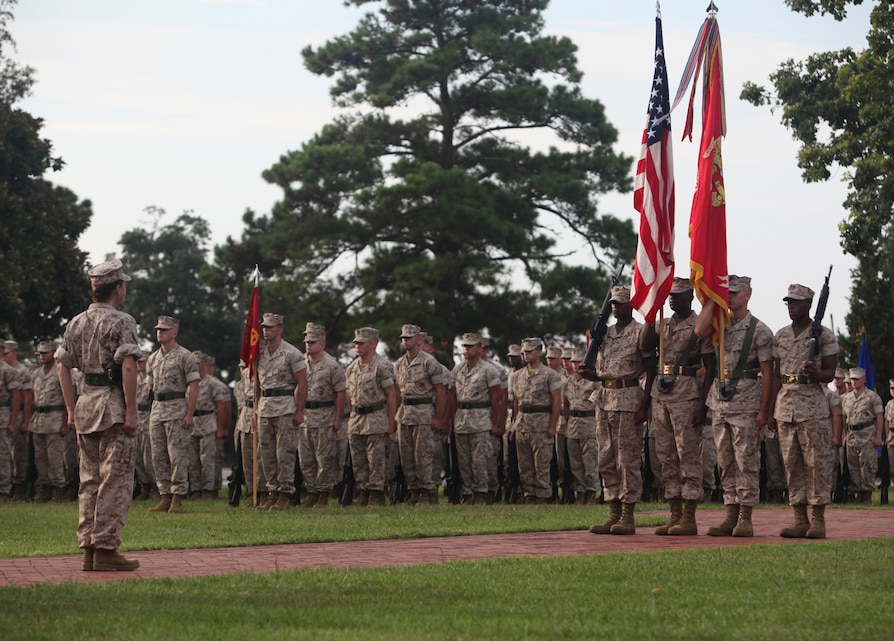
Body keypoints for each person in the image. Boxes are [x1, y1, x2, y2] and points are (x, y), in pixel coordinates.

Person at [56, 258, 143, 571]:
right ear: (117, 289)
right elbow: (130, 366)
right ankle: (105, 548)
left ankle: (89, 549)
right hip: (113, 406)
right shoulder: (122, 322)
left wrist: (70, 409)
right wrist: (131, 411)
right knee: (115, 479)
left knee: (89, 479)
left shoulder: (75, 322)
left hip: (86, 404)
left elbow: (62, 366)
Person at [696, 275, 774, 538]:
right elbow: (699, 331)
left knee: (746, 461)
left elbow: (768, 373)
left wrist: (765, 410)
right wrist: (711, 300)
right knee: (725, 461)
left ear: (748, 294)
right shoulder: (719, 325)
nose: (730, 296)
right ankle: (730, 513)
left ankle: (745, 516)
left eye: (735, 292)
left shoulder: (760, 330)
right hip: (719, 401)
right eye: (726, 292)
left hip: (746, 402)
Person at [646, 277, 715, 535]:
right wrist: (652, 313)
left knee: (687, 455)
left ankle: (689, 516)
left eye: (678, 294)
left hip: (687, 394)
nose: (673, 299)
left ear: (690, 296)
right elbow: (645, 347)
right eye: (670, 295)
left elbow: (710, 368)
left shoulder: (700, 325)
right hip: (661, 395)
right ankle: (674, 514)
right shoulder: (662, 323)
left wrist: (703, 405)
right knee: (666, 456)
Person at [770, 283, 838, 538]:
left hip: (812, 405)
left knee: (816, 463)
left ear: (810, 304)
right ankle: (799, 518)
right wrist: (770, 410)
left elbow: (830, 372)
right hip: (786, 406)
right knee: (791, 463)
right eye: (788, 302)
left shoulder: (824, 335)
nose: (791, 306)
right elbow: (777, 374)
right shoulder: (781, 336)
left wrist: (817, 373)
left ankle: (818, 519)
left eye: (796, 302)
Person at [588, 286, 655, 534]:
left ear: (631, 305)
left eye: (620, 303)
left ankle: (628, 515)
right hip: (604, 398)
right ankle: (613, 512)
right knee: (605, 458)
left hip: (628, 400)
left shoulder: (639, 332)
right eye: (613, 303)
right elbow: (602, 370)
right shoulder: (604, 334)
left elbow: (650, 369)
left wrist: (644, 406)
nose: (615, 307)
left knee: (627, 459)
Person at [146, 316, 200, 514]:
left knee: (177, 455)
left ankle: (177, 497)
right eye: (158, 329)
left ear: (174, 333)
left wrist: (190, 413)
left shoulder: (185, 356)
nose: (160, 332)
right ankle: (165, 495)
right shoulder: (152, 358)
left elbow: (194, 386)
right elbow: (150, 387)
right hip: (158, 410)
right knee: (158, 456)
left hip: (177, 409)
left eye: (165, 329)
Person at [254, 313, 308, 510]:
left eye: (270, 327)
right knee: (266, 453)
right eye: (264, 327)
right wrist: (255, 411)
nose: (265, 330)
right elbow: (257, 385)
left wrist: (300, 411)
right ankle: (272, 491)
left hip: (285, 407)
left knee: (284, 452)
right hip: (265, 407)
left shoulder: (291, 353)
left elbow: (303, 383)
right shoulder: (259, 353)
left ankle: (284, 494)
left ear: (280, 329)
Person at [393, 324, 445, 505]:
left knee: (423, 456)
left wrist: (438, 417)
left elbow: (440, 391)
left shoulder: (429, 362)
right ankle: (414, 491)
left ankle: (428, 492)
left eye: (409, 337)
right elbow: (397, 393)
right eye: (403, 338)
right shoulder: (399, 364)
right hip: (405, 415)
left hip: (424, 414)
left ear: (418, 340)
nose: (405, 341)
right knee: (406, 457)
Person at [345, 327, 397, 506]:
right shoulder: (351, 368)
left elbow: (392, 395)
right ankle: (363, 491)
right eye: (356, 343)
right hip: (356, 419)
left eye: (362, 343)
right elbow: (350, 396)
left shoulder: (381, 367)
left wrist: (391, 422)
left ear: (373, 344)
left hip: (376, 418)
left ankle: (377, 493)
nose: (357, 346)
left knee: (376, 459)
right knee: (358, 459)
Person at [298, 323, 346, 508]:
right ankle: (311, 492)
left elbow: (340, 393)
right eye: (306, 342)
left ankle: (323, 494)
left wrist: (338, 418)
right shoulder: (300, 363)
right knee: (306, 458)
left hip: (324, 415)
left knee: (324, 458)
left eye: (312, 342)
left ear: (322, 344)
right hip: (306, 415)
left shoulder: (332, 366)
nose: (308, 345)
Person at [452, 332, 501, 504]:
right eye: (465, 346)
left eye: (471, 346)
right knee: (464, 461)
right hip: (461, 420)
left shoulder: (489, 370)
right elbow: (452, 395)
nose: (467, 349)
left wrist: (495, 423)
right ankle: (467, 493)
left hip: (480, 420)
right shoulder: (457, 369)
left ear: (480, 348)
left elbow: (496, 398)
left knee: (479, 459)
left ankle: (481, 492)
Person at [511, 337, 562, 504]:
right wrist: (514, 425)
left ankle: (543, 496)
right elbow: (517, 401)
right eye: (524, 352)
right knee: (524, 464)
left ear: (539, 352)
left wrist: (553, 426)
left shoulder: (550, 375)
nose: (525, 355)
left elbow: (556, 401)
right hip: (523, 423)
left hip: (541, 424)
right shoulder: (518, 375)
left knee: (541, 464)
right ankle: (528, 494)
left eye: (529, 351)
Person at [29, 341, 68, 502]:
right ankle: (44, 489)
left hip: (55, 418)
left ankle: (59, 489)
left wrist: (66, 422)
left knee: (56, 458)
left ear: (54, 353)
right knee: (40, 458)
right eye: (39, 354)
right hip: (39, 420)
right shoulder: (36, 374)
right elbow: (32, 399)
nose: (41, 357)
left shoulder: (60, 371)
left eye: (44, 353)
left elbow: (67, 398)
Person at [188, 351, 230, 500]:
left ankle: (208, 490)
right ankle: (196, 489)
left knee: (207, 460)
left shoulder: (213, 384)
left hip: (208, 422)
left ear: (204, 365)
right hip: (192, 424)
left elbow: (221, 407)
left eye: (197, 363)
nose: (194, 366)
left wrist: (220, 429)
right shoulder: (187, 382)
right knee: (192, 460)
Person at [840, 367, 884, 504]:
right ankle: (857, 492)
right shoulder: (847, 398)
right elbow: (844, 418)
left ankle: (866, 495)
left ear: (864, 380)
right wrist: (844, 435)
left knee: (867, 465)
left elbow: (879, 417)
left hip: (867, 435)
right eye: (852, 379)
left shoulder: (872, 397)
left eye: (857, 379)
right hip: (852, 435)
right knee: (853, 466)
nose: (854, 382)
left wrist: (878, 436)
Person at [564, 348, 599, 504]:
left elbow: (598, 403)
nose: (576, 365)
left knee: (589, 461)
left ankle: (592, 491)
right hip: (573, 424)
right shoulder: (568, 382)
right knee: (575, 462)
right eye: (573, 362)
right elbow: (566, 404)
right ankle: (580, 491)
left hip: (589, 423)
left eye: (579, 362)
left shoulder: (594, 382)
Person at [3, 340, 33, 502]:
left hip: (19, 413)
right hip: (5, 414)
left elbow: (28, 398)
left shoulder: (22, 371)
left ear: (14, 353)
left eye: (6, 353)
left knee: (19, 453)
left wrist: (26, 420)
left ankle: (19, 486)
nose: (4, 356)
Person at [0, 344, 22, 502]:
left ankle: (4, 491)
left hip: (2, 417)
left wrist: (13, 421)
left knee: (3, 455)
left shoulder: (6, 371)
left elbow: (16, 396)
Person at [134, 351, 156, 501]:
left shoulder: (153, 379)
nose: (139, 363)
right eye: (138, 361)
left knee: (150, 456)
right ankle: (144, 487)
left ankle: (155, 487)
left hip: (149, 416)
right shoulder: (134, 379)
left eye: (142, 361)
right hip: (137, 418)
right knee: (138, 457)